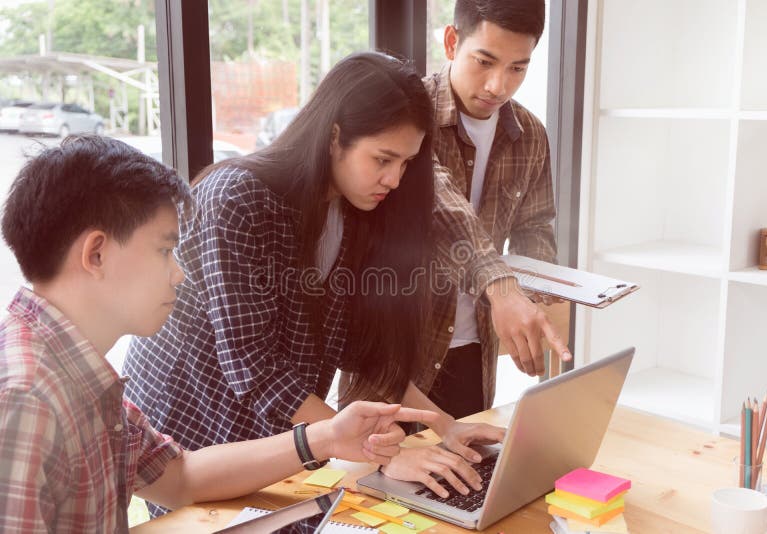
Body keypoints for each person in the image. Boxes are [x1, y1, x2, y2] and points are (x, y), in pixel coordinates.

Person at [122, 52, 505, 510]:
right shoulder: (237, 199)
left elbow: (361, 349)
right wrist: (374, 453)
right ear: (334, 136)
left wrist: (446, 426)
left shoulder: (354, 209)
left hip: (270, 428)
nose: (395, 180)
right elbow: (255, 369)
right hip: (189, 424)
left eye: (406, 163)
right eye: (383, 158)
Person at [0, 135, 437, 532]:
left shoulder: (76, 374)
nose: (179, 274)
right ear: (96, 253)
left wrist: (329, 436)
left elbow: (178, 477)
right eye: (164, 250)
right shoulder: (25, 397)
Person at [411, 0, 570, 420]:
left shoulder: (530, 134)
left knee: (466, 477)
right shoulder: (409, 114)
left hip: (474, 347)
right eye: (485, 61)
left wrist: (541, 297)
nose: (498, 85)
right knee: (375, 477)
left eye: (518, 68)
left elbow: (535, 228)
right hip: (397, 349)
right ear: (451, 42)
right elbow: (441, 210)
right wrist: (501, 287)